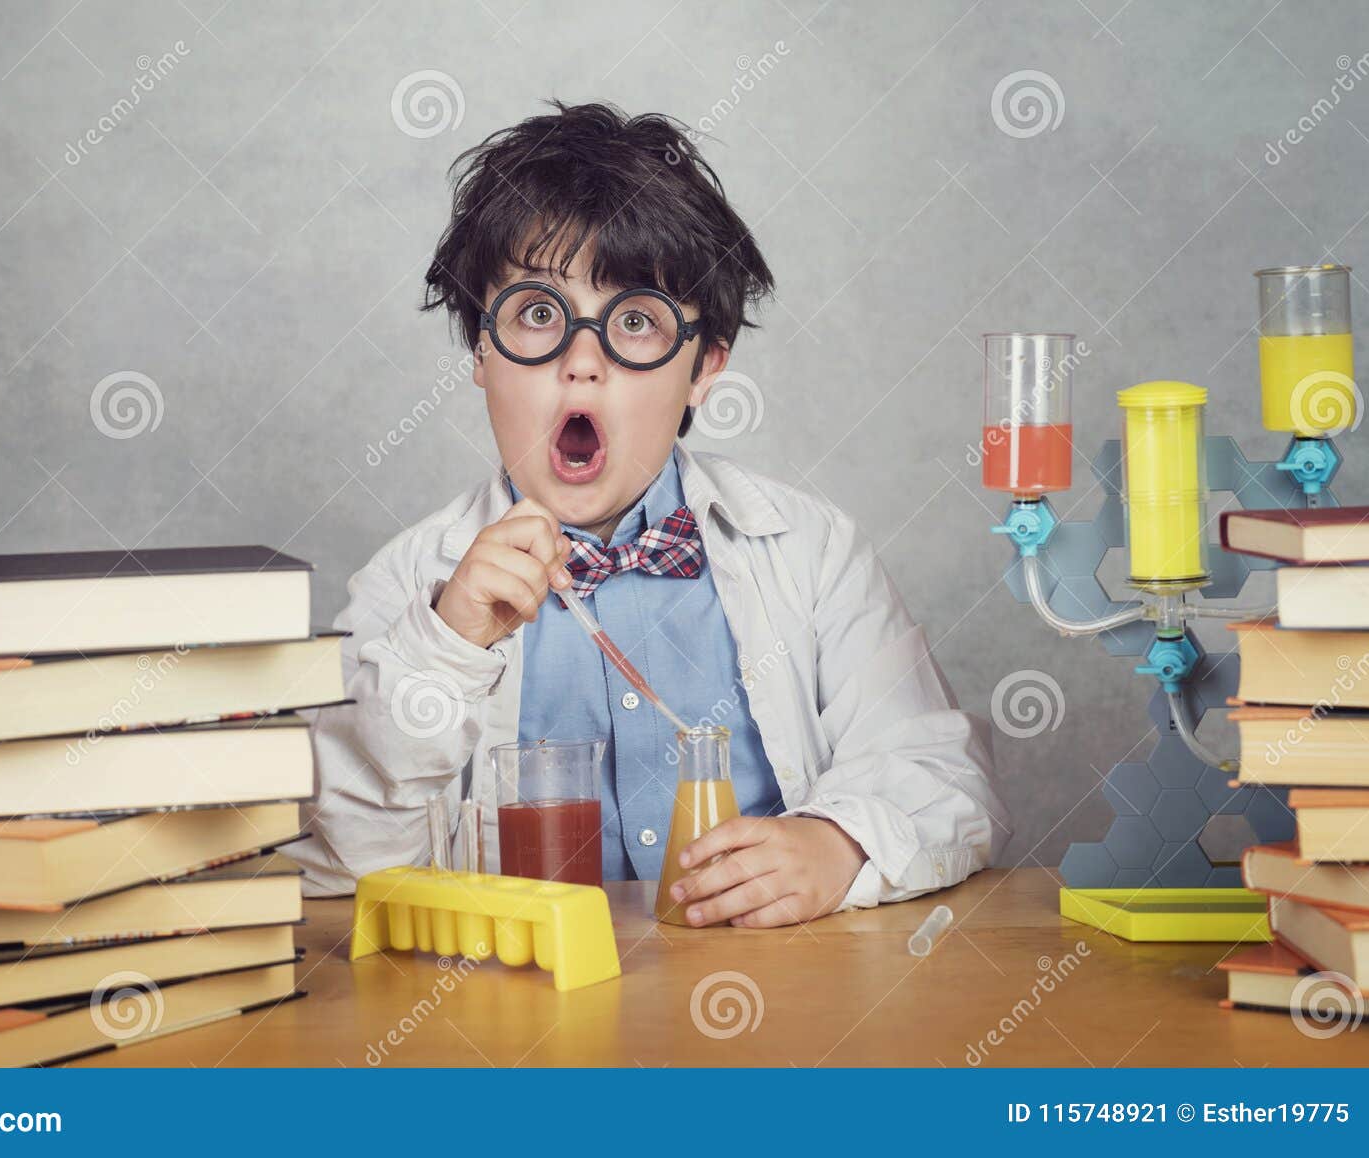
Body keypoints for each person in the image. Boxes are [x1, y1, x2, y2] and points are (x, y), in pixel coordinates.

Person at [286, 101, 1008, 926]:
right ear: (481, 352)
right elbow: (338, 865)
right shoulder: (411, 584)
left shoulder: (811, 551)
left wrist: (838, 844)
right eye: (537, 314)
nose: (582, 366)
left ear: (704, 366)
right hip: (518, 1024)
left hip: (777, 1008)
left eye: (635, 322)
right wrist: (443, 650)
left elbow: (942, 772)